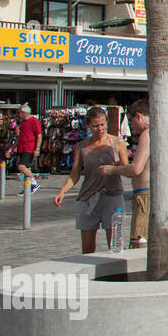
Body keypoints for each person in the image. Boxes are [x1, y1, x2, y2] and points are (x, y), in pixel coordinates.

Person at [52, 106, 129, 254]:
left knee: (115, 245)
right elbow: (75, 174)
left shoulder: (117, 143)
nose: (99, 128)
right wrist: (62, 192)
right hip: (89, 198)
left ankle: (118, 274)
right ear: (88, 125)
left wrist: (115, 168)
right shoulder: (81, 146)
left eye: (102, 124)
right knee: (87, 248)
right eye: (95, 125)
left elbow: (127, 169)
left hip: (112, 196)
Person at [98, 99, 150, 249]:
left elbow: (136, 169)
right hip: (148, 193)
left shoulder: (147, 134)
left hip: (145, 195)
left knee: (139, 240)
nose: (131, 126)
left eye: (131, 120)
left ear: (138, 116)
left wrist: (112, 170)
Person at [14, 104, 42, 195]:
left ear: (24, 113)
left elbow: (39, 135)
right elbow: (20, 137)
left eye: (19, 113)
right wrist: (11, 148)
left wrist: (37, 148)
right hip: (21, 148)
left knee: (20, 166)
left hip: (29, 148)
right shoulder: (23, 123)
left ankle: (34, 183)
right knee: (27, 169)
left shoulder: (34, 121)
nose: (18, 115)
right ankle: (27, 188)